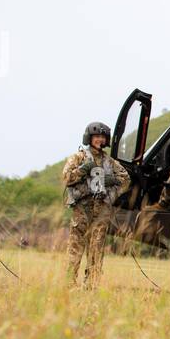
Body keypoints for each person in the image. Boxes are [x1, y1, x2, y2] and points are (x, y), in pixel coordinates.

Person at [61, 121, 129, 289]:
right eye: (96, 136)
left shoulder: (109, 161)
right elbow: (66, 178)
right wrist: (83, 170)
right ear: (89, 138)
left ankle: (91, 285)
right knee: (75, 246)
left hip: (101, 209)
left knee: (96, 248)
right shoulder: (79, 157)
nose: (99, 140)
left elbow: (126, 179)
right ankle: (70, 284)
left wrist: (112, 181)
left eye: (102, 137)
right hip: (82, 208)